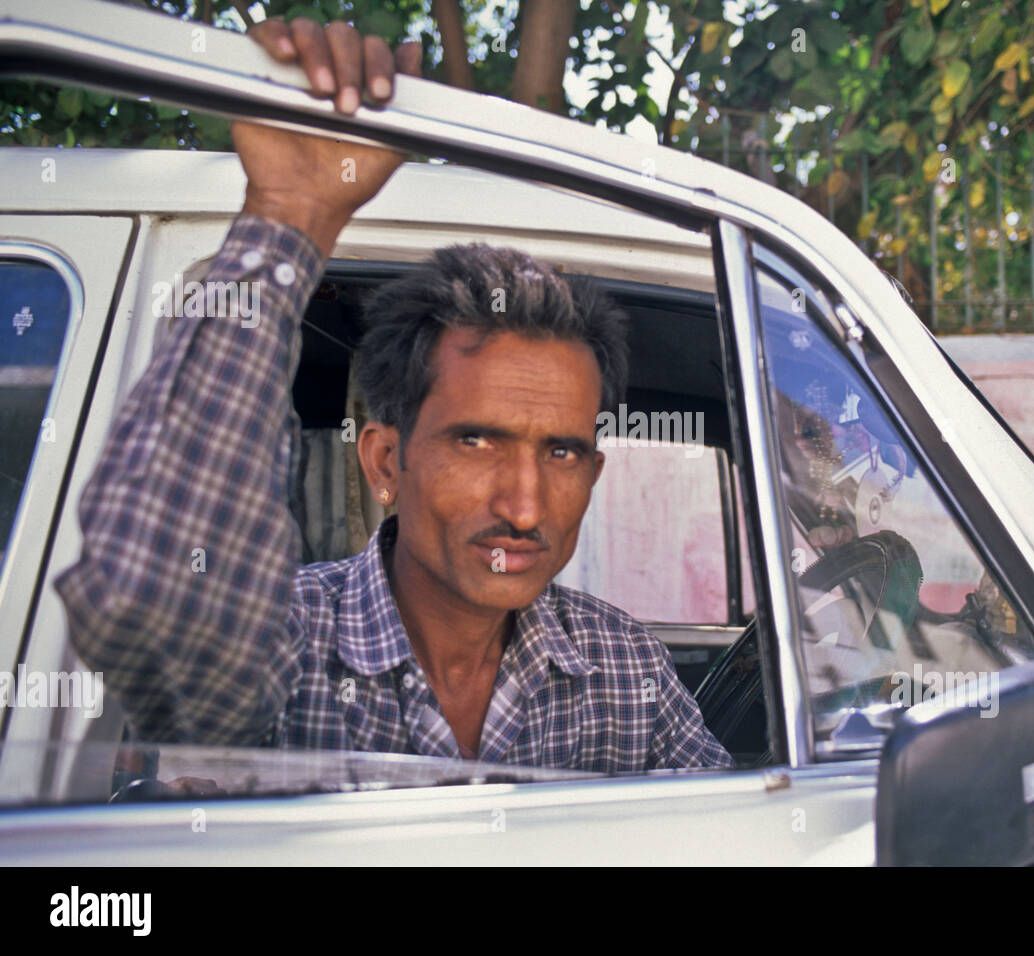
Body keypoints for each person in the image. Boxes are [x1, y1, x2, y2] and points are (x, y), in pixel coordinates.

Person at [54, 18, 733, 773]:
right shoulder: (288, 644)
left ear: (594, 474)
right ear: (383, 462)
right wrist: (292, 214)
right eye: (475, 440)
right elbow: (149, 597)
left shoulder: (623, 670)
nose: (527, 507)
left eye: (563, 451)